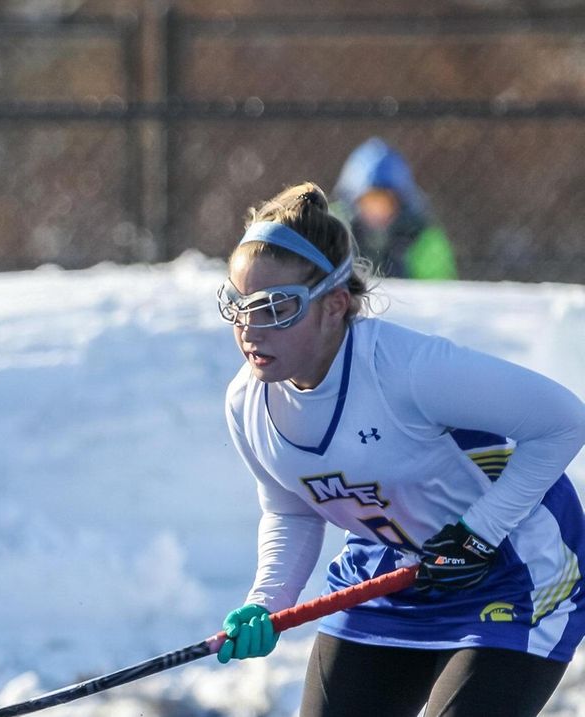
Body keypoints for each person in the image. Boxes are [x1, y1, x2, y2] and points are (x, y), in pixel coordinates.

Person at [213, 181, 585, 716]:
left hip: (516, 569)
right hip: (391, 574)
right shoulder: (246, 403)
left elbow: (564, 422)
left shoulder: (409, 370)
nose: (250, 328)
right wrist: (265, 602)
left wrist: (480, 532)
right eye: (238, 304)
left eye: (275, 307)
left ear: (335, 305)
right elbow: (291, 510)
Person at [332, 137, 458, 280]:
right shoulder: (333, 233)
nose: (377, 211)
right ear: (353, 201)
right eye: (370, 200)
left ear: (400, 203)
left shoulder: (421, 239)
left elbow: (440, 292)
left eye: (385, 201)